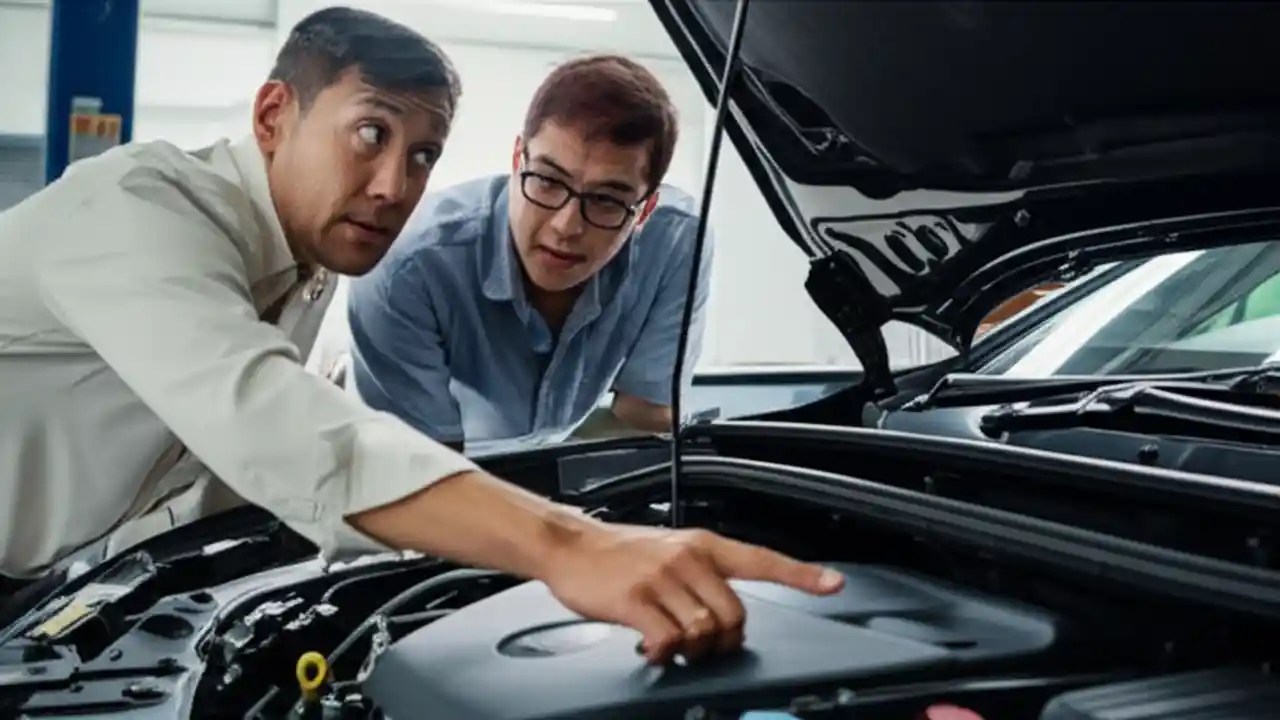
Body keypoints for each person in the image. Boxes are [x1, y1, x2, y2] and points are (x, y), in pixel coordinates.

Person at [0, 7, 842, 662]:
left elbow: (228, 475)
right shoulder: (140, 214)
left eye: (423, 154)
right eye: (371, 134)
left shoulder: (308, 265)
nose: (394, 185)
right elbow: (283, 428)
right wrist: (570, 545)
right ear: (272, 115)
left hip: (46, 580)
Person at [345, 54, 713, 452]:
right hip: (436, 469)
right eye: (548, 181)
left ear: (646, 209)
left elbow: (643, 419)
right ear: (518, 160)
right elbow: (416, 478)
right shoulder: (406, 266)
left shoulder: (677, 243)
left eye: (607, 200)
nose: (566, 226)